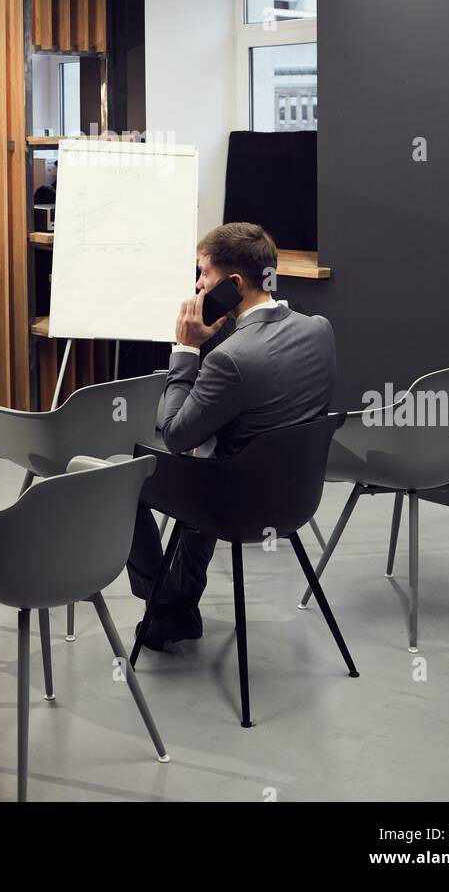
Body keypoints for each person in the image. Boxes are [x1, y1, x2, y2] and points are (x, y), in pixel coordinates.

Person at [127, 221, 336, 650]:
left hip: (236, 507)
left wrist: (185, 349)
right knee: (213, 453)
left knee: (121, 478)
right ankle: (176, 608)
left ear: (234, 282)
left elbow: (174, 435)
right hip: (295, 498)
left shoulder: (229, 360)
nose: (198, 284)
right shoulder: (318, 329)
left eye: (203, 273)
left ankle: (166, 608)